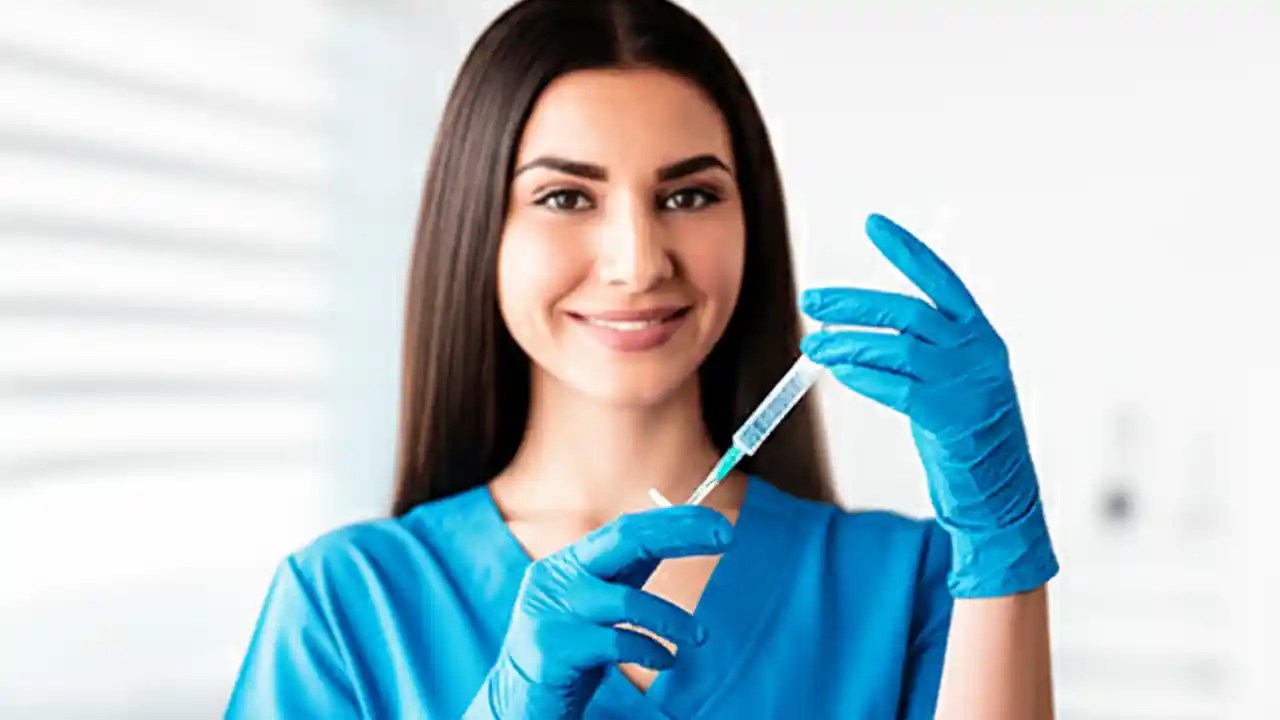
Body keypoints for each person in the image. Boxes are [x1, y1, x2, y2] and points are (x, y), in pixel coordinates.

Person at [226, 0, 1059, 717]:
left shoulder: (908, 588)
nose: (637, 259)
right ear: (478, 231)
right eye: (565, 197)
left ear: (750, 225)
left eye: (688, 195)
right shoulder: (346, 607)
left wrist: (1001, 548)